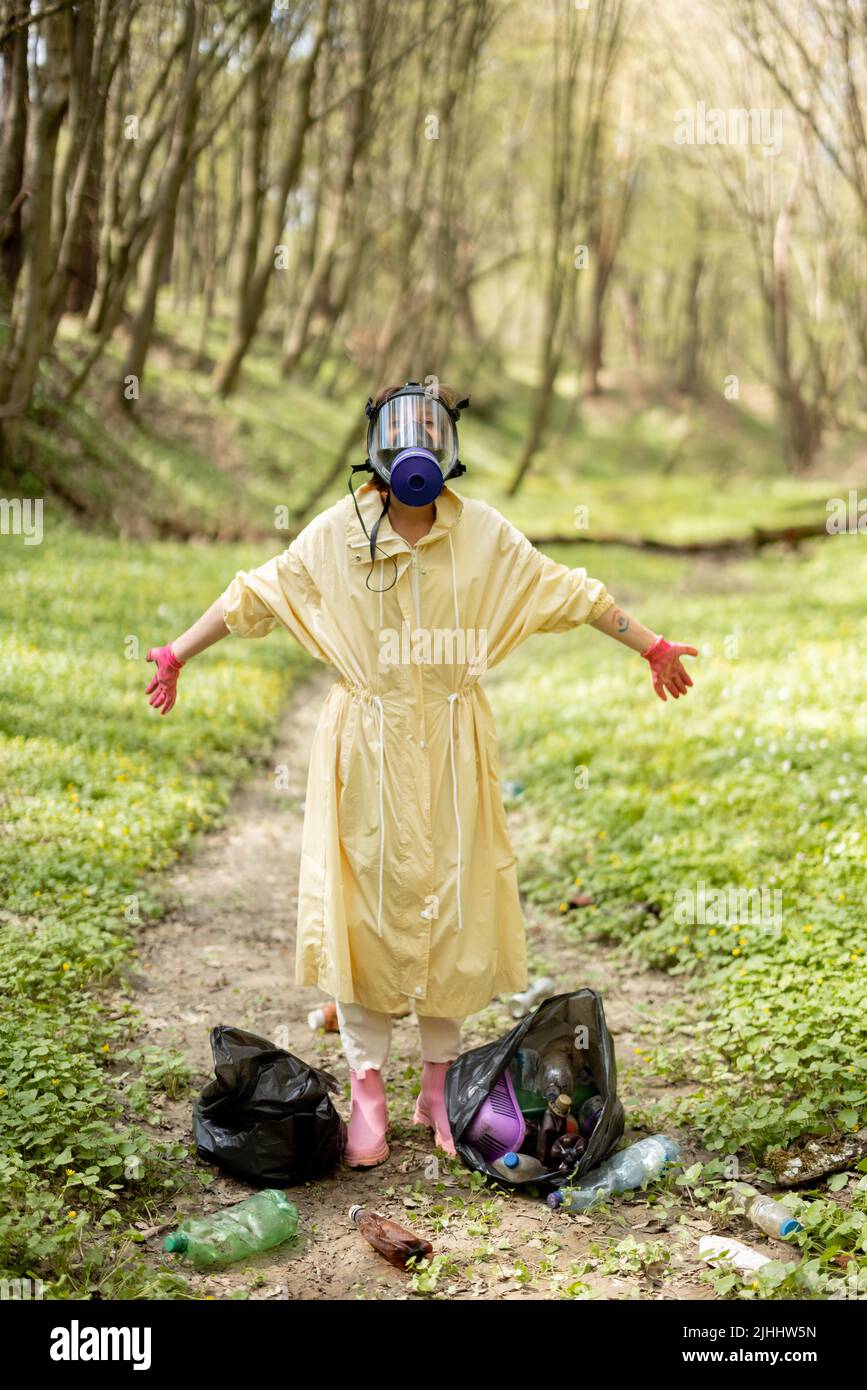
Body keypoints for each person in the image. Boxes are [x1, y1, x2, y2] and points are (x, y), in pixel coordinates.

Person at [145, 381, 697, 1168]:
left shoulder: (484, 538)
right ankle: (365, 1086)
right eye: (401, 431)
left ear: (447, 447)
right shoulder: (340, 534)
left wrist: (650, 645)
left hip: (450, 745)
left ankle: (437, 1085)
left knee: (454, 912)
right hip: (362, 749)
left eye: (428, 431)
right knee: (360, 911)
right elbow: (253, 593)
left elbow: (569, 591)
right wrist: (175, 652)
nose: (416, 446)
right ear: (375, 447)